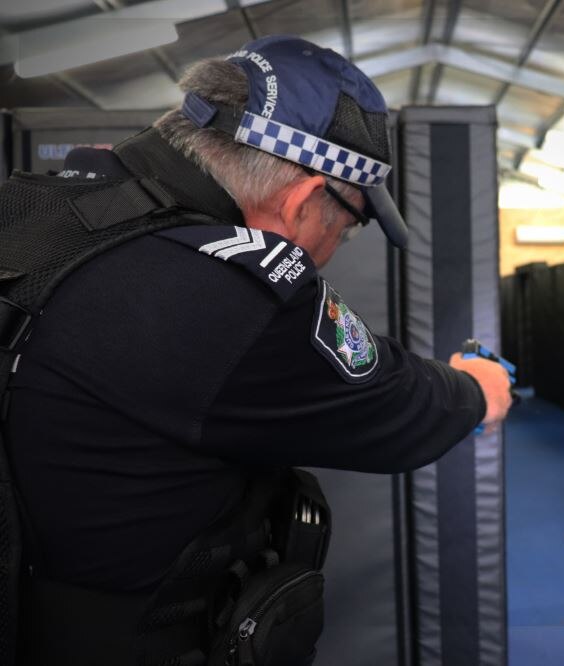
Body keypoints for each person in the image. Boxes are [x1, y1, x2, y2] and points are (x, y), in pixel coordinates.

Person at [0, 35, 512, 665]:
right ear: (301, 201)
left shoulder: (27, 206)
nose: (328, 252)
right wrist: (478, 388)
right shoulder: (234, 295)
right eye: (342, 232)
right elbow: (402, 408)